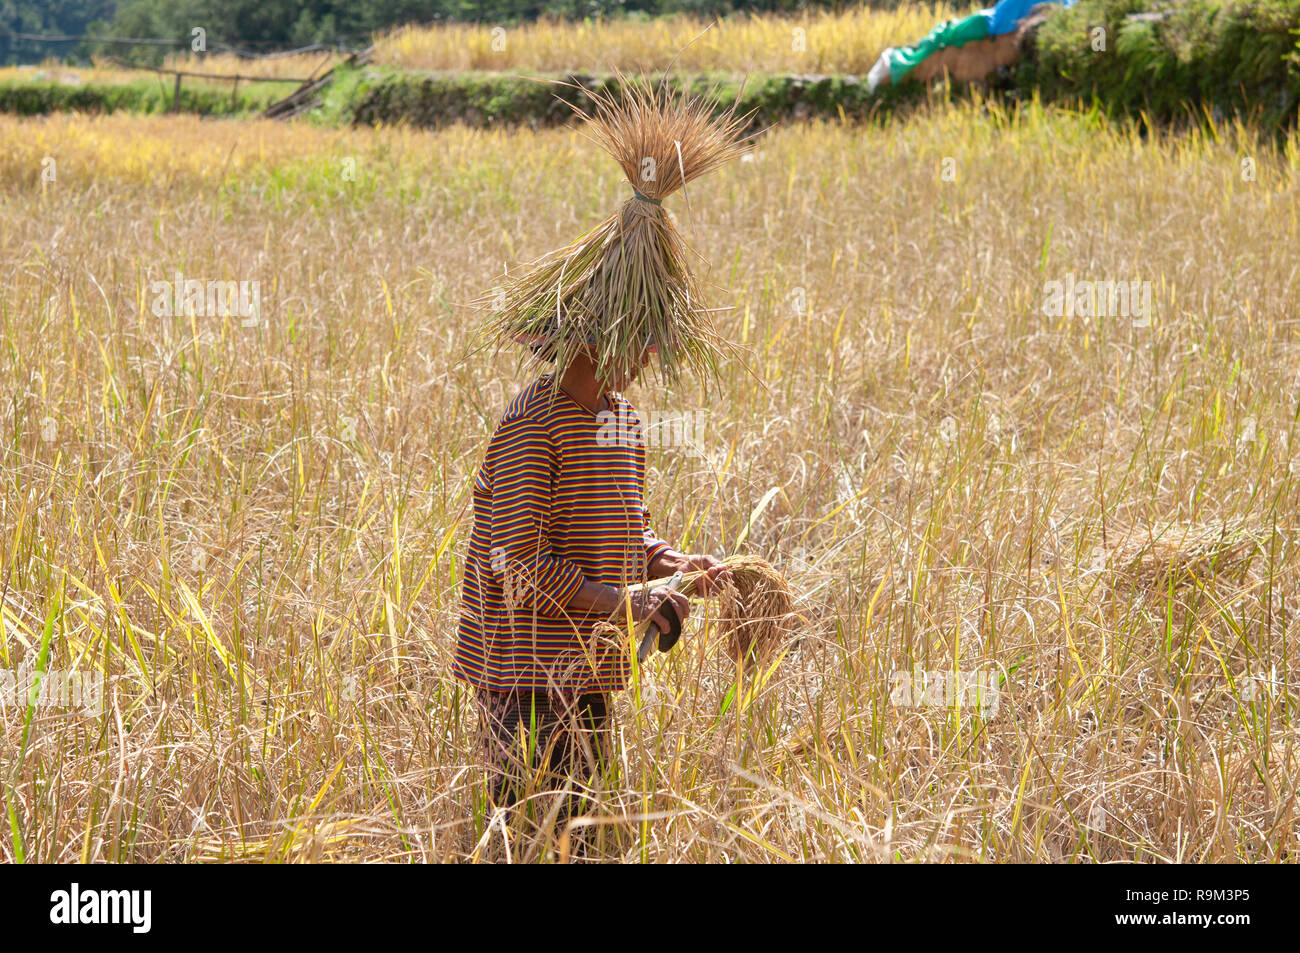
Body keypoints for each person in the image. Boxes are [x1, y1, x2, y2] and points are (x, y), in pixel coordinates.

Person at [452, 338, 731, 816]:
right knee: (527, 835)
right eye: (638, 335)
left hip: (590, 670)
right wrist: (625, 604)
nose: (647, 354)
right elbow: (518, 567)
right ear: (591, 336)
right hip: (524, 676)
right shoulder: (533, 425)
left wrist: (675, 566)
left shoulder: (620, 419)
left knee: (581, 836)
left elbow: (626, 530)